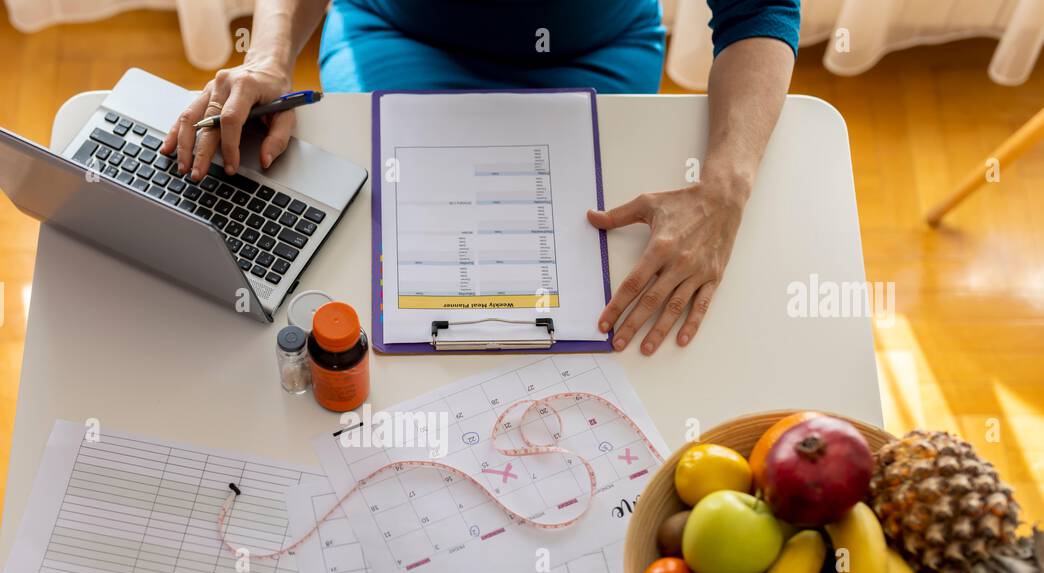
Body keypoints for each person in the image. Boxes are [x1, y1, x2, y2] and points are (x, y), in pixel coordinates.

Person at [162, 1, 799, 356]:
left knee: (575, 312)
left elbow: (759, 7)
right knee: (385, 281)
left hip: (591, 53)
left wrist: (725, 187)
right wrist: (269, 59)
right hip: (401, 36)